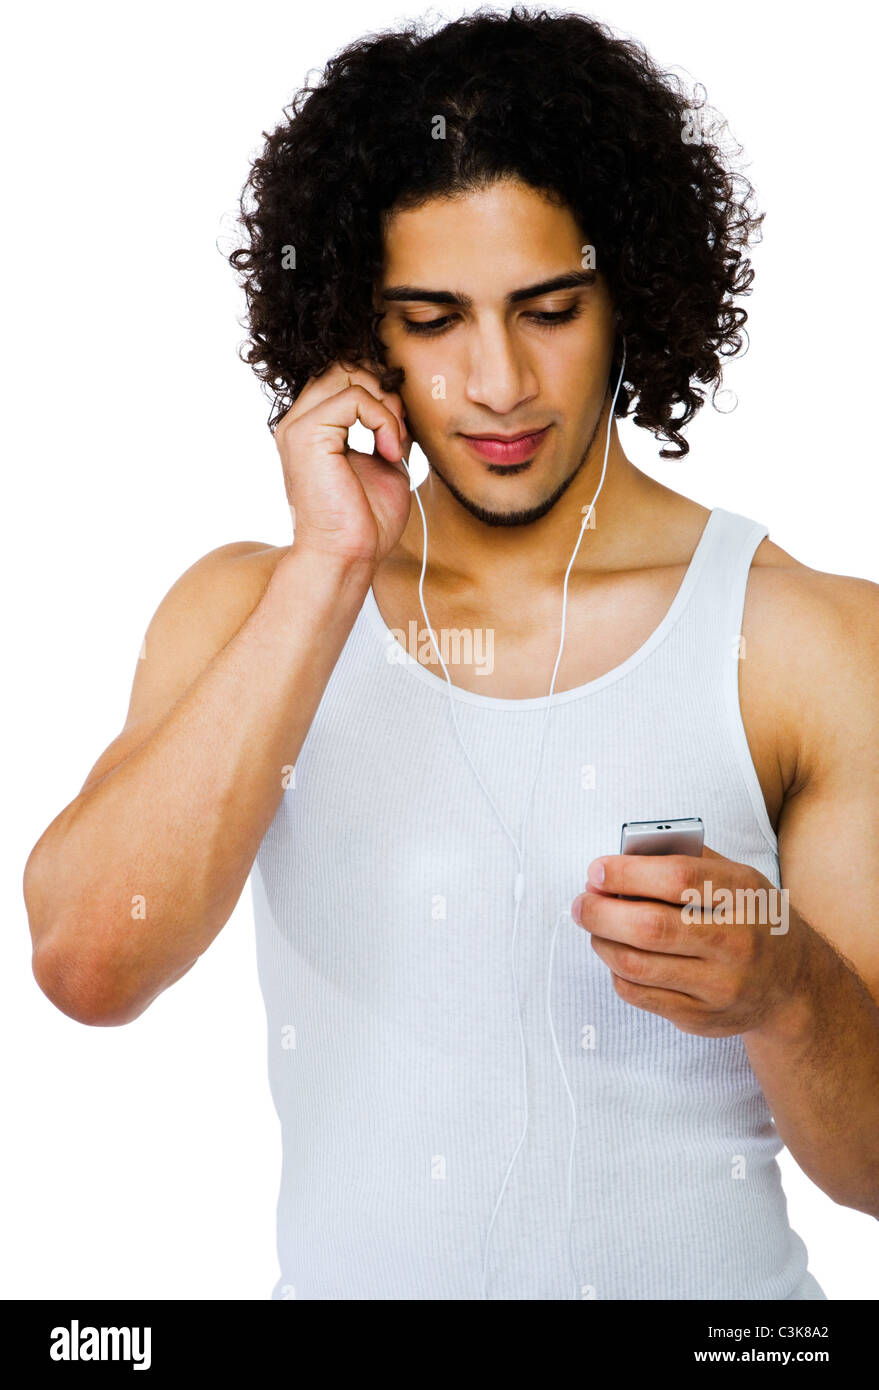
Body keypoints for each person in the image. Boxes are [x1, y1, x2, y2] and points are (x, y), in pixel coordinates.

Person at [23, 9, 879, 1300]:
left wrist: (789, 987)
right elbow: (87, 963)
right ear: (363, 333)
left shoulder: (802, 639)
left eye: (547, 310)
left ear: (630, 294)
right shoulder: (250, 611)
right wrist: (327, 569)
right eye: (434, 319)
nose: (497, 383)